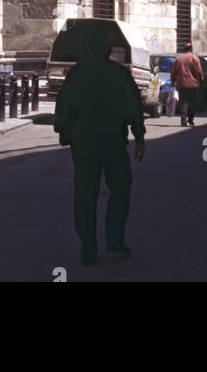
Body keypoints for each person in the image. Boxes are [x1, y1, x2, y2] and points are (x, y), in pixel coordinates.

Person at [54, 21, 145, 267]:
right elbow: (134, 106)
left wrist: (65, 132)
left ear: (87, 46)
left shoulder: (77, 73)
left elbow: (63, 106)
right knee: (120, 189)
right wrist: (139, 137)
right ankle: (114, 240)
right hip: (114, 141)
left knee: (85, 194)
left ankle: (88, 246)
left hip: (84, 142)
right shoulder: (119, 73)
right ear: (107, 46)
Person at [171, 42, 205, 126]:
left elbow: (173, 72)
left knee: (183, 102)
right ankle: (190, 119)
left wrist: (172, 81)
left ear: (184, 49)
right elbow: (199, 71)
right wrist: (202, 80)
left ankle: (183, 118)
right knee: (193, 102)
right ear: (191, 49)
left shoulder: (178, 59)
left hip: (182, 84)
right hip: (193, 84)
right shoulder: (195, 58)